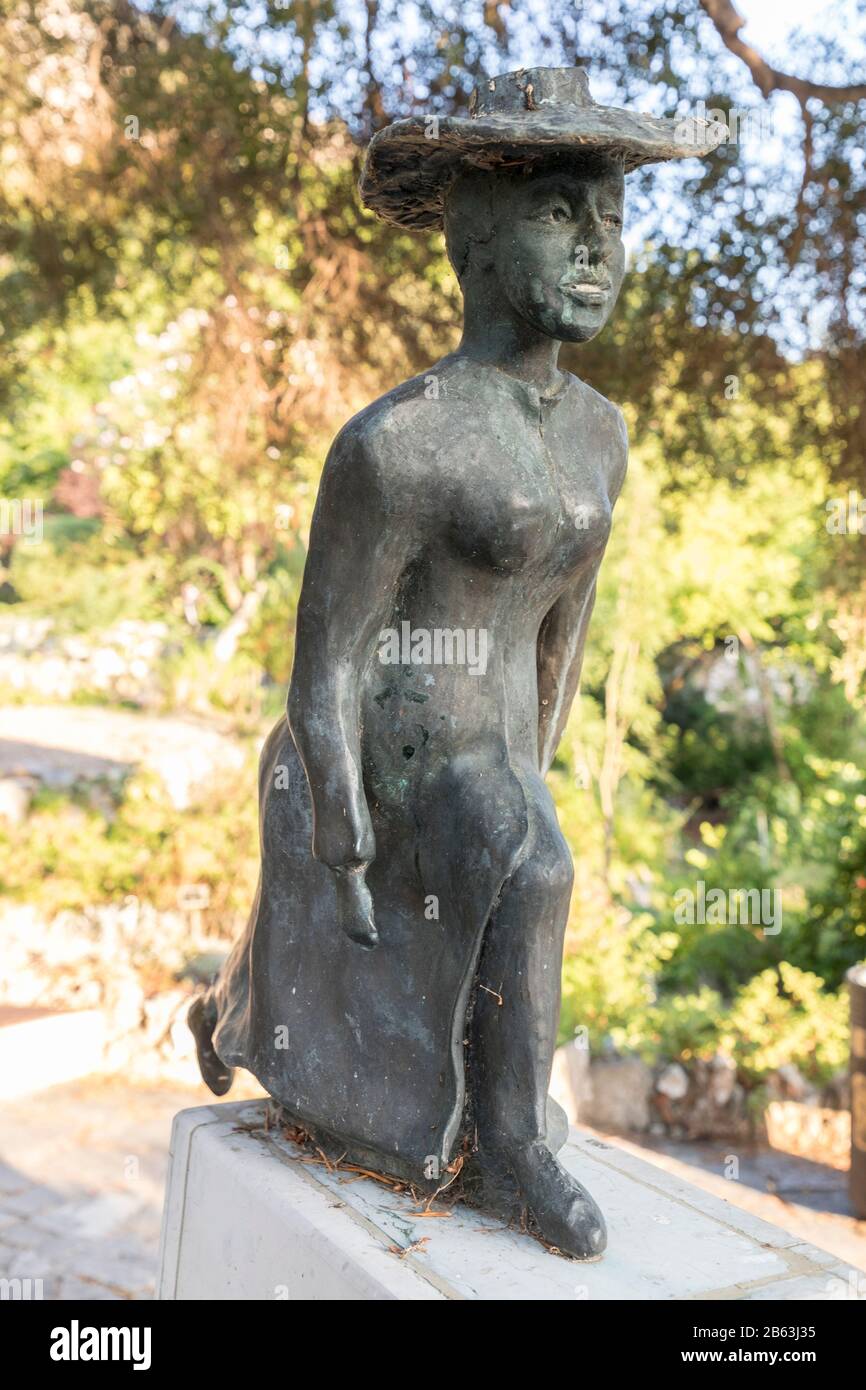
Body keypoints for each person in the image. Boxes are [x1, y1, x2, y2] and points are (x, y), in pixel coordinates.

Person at [190, 66, 723, 1260]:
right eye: (553, 213)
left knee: (513, 846)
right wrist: (338, 814)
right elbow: (320, 664)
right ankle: (509, 1148)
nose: (595, 245)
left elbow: (560, 628)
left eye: (610, 217)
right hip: (382, 752)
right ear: (472, 248)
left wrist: (536, 762)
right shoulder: (400, 442)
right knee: (530, 869)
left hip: (492, 747)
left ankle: (236, 1019)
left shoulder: (601, 435)